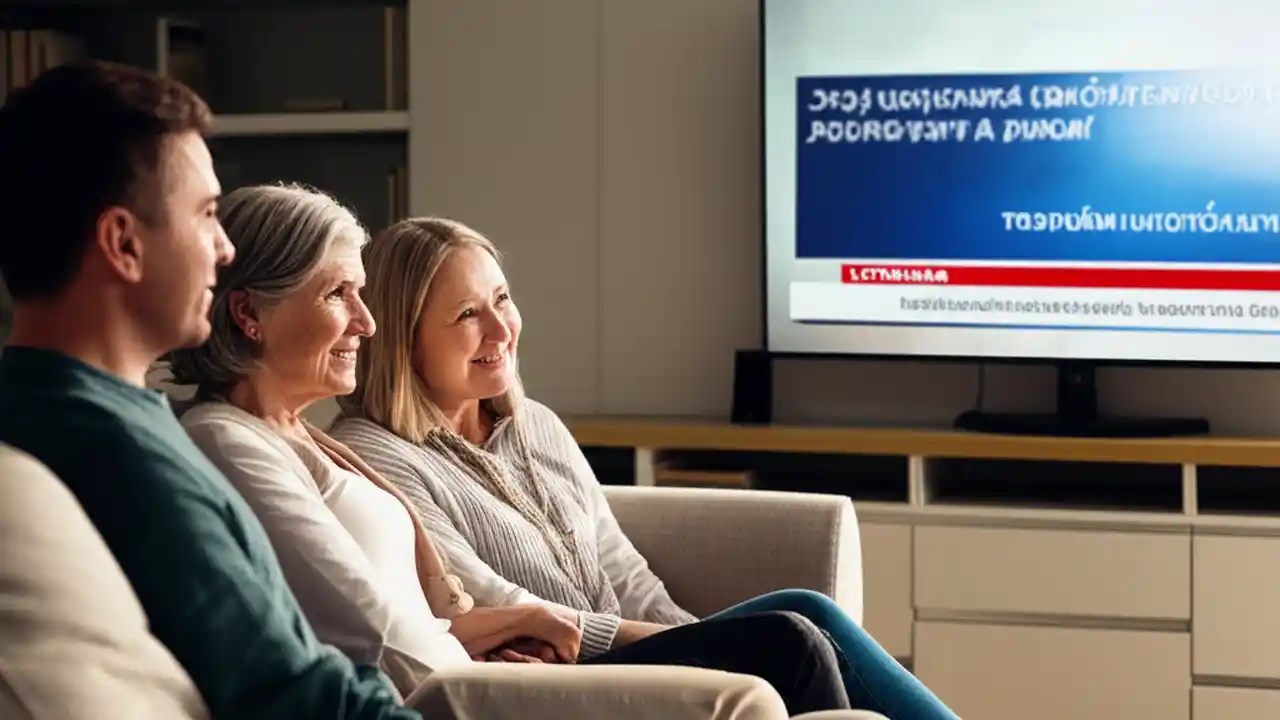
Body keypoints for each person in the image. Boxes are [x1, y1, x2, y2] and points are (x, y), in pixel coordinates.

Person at [165, 183, 852, 717]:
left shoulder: (295, 432)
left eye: (362, 294)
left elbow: (426, 608)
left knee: (793, 627)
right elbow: (375, 638)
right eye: (338, 293)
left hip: (489, 661)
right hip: (469, 693)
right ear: (249, 315)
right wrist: (514, 639)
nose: (364, 322)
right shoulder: (237, 442)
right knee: (790, 637)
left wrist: (515, 625)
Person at [330, 217, 962, 720]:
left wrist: (694, 642)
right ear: (404, 340)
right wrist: (661, 647)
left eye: (502, 299)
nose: (501, 327)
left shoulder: (535, 424)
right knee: (793, 635)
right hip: (560, 677)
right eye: (468, 314)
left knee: (796, 621)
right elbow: (489, 603)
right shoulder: (379, 451)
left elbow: (622, 568)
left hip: (629, 650)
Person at [0, 61, 418, 719]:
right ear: (122, 244)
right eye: (205, 215)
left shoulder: (79, 411)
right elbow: (300, 698)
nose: (224, 250)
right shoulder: (113, 453)